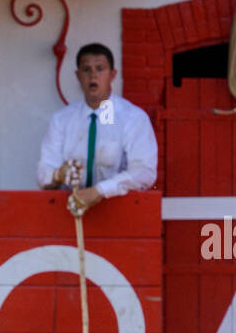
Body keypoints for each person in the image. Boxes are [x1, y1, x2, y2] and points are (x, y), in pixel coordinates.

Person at [37, 42, 158, 212]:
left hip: (118, 211)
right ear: (78, 75)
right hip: (68, 211)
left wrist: (101, 190)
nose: (93, 76)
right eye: (86, 70)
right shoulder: (62, 120)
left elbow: (144, 172)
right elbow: (44, 174)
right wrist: (58, 175)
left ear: (112, 74)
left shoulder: (132, 118)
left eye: (100, 69)